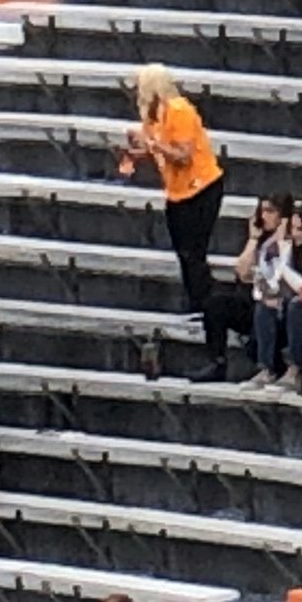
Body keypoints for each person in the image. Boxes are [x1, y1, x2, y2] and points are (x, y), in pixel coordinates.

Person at [116, 65, 233, 381]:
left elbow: (180, 153)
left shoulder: (178, 109)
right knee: (183, 251)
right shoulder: (152, 117)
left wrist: (152, 145)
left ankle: (204, 305)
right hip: (178, 191)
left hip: (201, 187)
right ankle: (197, 301)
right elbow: (157, 151)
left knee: (194, 252)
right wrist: (136, 151)